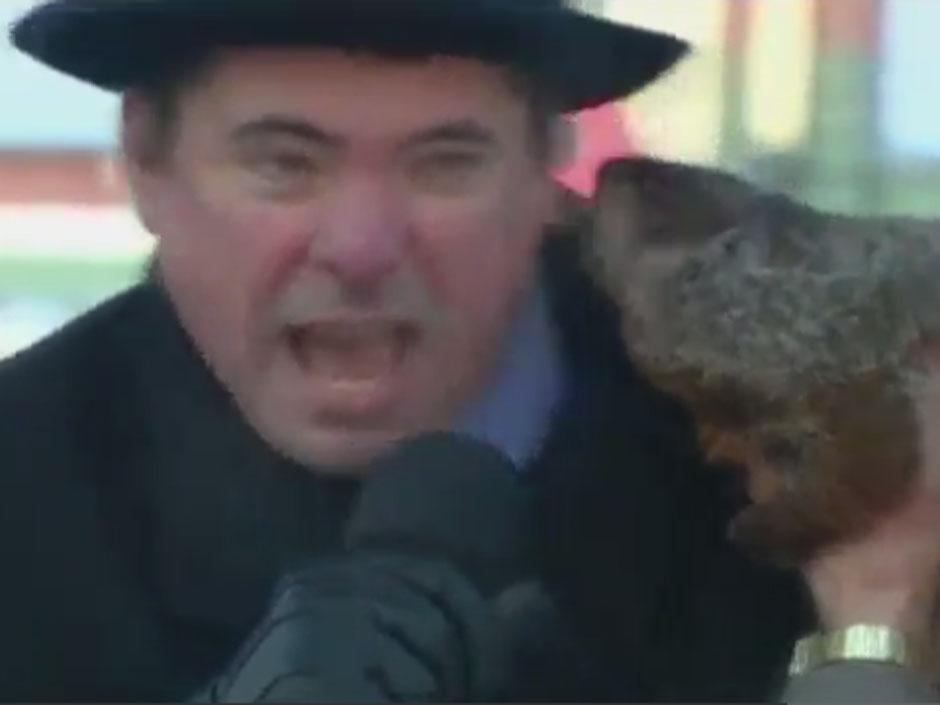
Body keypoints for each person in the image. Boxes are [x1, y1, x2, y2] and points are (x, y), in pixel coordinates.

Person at [2, 0, 938, 701]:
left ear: (547, 174)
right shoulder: (25, 492)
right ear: (147, 164)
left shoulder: (822, 457)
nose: (362, 246)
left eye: (445, 162)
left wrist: (872, 627)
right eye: (284, 164)